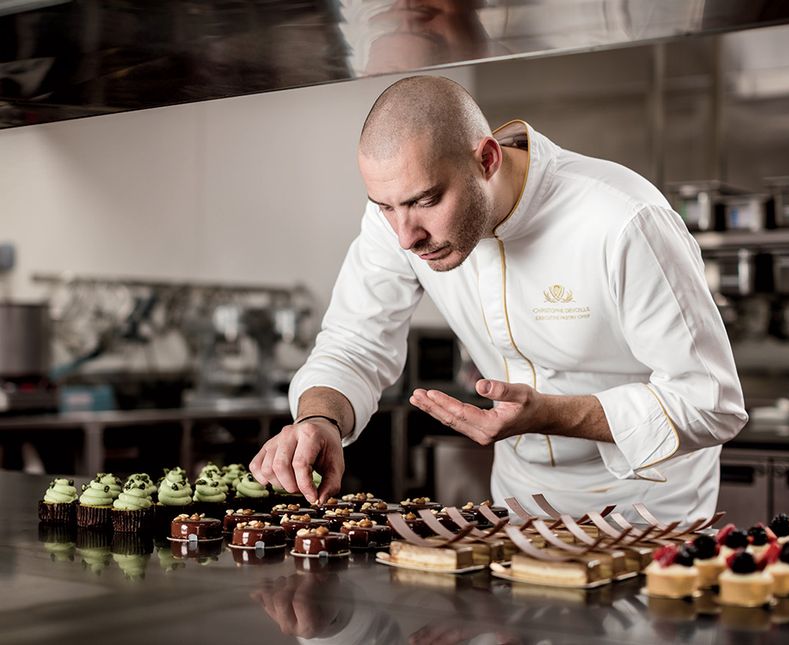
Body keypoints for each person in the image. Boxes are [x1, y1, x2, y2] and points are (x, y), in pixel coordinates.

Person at [250, 75, 748, 523]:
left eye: (426, 201)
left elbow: (712, 402)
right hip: (518, 507)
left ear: (487, 159)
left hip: (648, 508)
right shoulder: (398, 222)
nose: (406, 236)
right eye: (385, 207)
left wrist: (549, 413)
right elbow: (353, 343)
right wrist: (319, 419)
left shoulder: (622, 219)